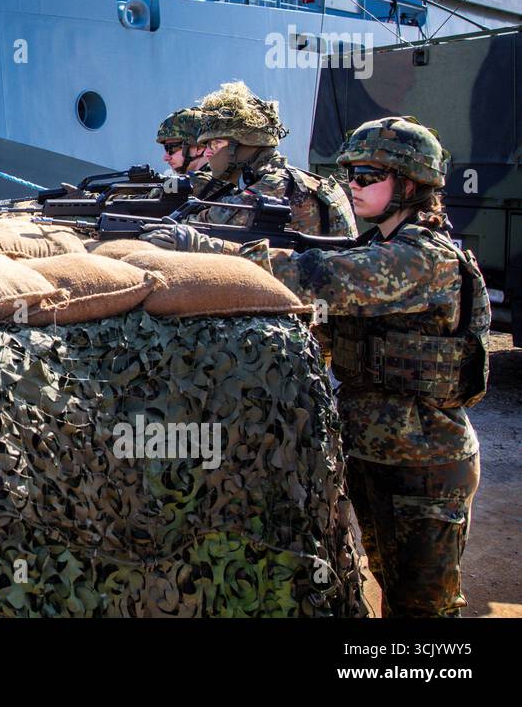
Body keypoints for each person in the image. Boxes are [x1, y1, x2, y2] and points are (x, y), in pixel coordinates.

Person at [141, 116, 490, 617]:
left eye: (369, 176)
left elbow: (317, 277)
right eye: (351, 174)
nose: (354, 185)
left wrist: (210, 250)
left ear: (410, 184)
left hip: (424, 462)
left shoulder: (424, 259)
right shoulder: (380, 248)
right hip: (374, 454)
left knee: (425, 609)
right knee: (389, 585)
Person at [187, 81, 357, 237]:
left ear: (245, 144)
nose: (208, 152)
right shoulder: (299, 179)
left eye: (216, 144)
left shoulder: (271, 187)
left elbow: (199, 230)